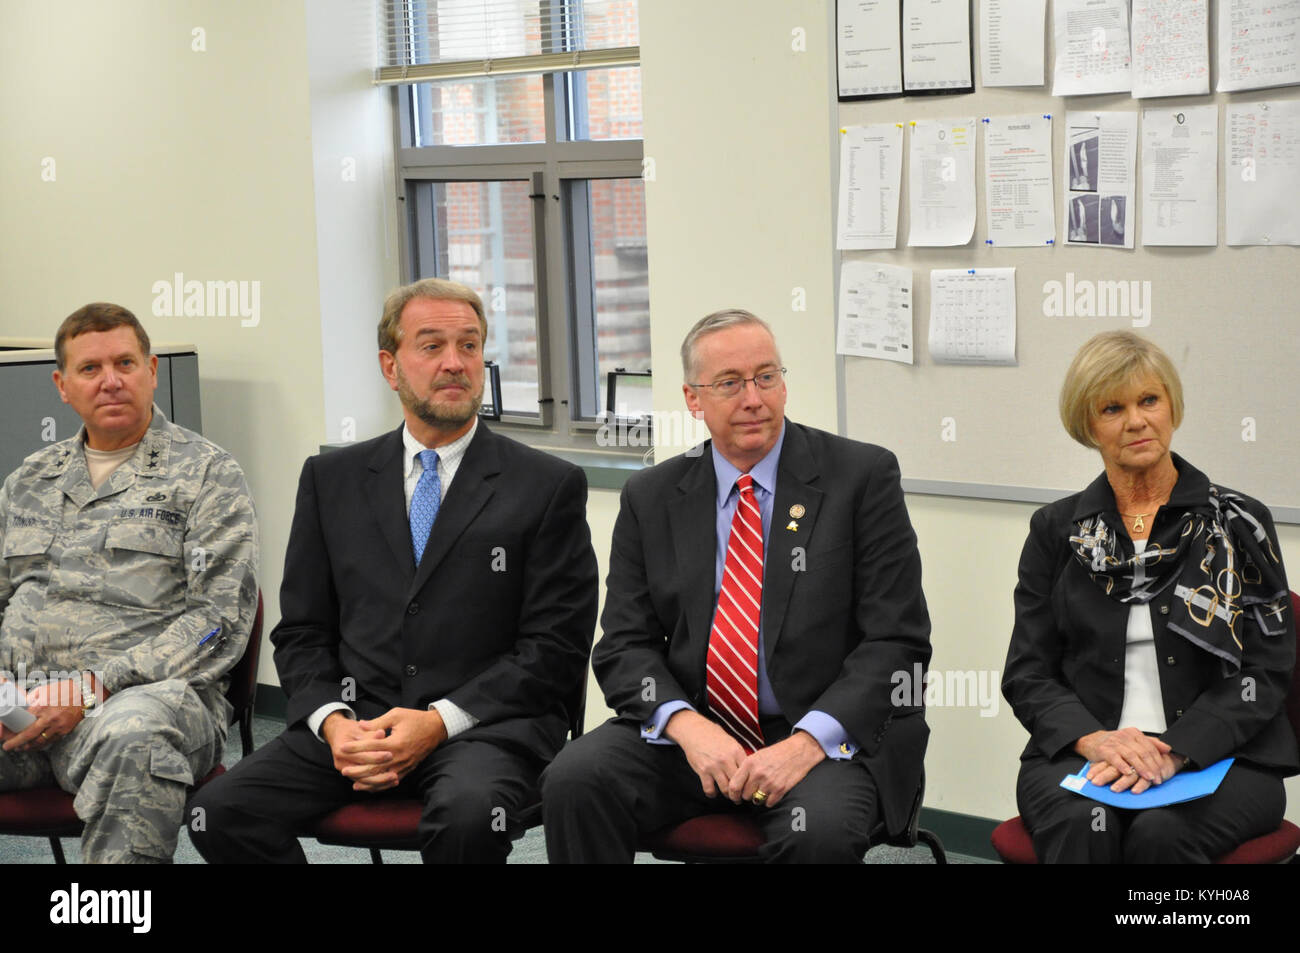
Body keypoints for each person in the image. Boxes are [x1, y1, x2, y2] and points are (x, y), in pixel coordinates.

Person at [189, 277, 598, 864]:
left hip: (485, 726)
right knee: (220, 814)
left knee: (467, 820)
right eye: (432, 346)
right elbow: (302, 631)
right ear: (390, 365)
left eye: (470, 346)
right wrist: (334, 723)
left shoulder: (546, 486)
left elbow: (555, 648)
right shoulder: (332, 480)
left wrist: (437, 722)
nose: (455, 364)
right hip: (357, 721)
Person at [542, 309, 932, 863]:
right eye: (729, 383)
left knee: (815, 832)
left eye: (766, 377)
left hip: (821, 739)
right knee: (575, 780)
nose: (753, 398)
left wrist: (805, 743)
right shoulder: (652, 496)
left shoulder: (860, 478)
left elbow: (899, 642)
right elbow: (624, 645)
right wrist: (685, 726)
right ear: (692, 398)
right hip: (695, 731)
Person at [1003, 330, 1298, 863]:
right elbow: (1028, 672)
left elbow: (1265, 670)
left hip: (1224, 754)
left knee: (1161, 833)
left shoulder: (1238, 524)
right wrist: (1095, 740)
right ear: (1087, 425)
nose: (1137, 421)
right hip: (1085, 749)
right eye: (1112, 408)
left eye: (1149, 400)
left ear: (1171, 407)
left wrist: (1178, 751)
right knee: (1081, 824)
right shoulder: (1056, 531)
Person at [0, 302, 259, 863]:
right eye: (90, 369)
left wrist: (93, 687)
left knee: (135, 738)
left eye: (124, 363)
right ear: (62, 385)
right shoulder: (29, 479)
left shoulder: (209, 474)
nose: (110, 380)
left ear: (152, 370)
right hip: (17, 707)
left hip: (140, 702)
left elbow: (217, 624)